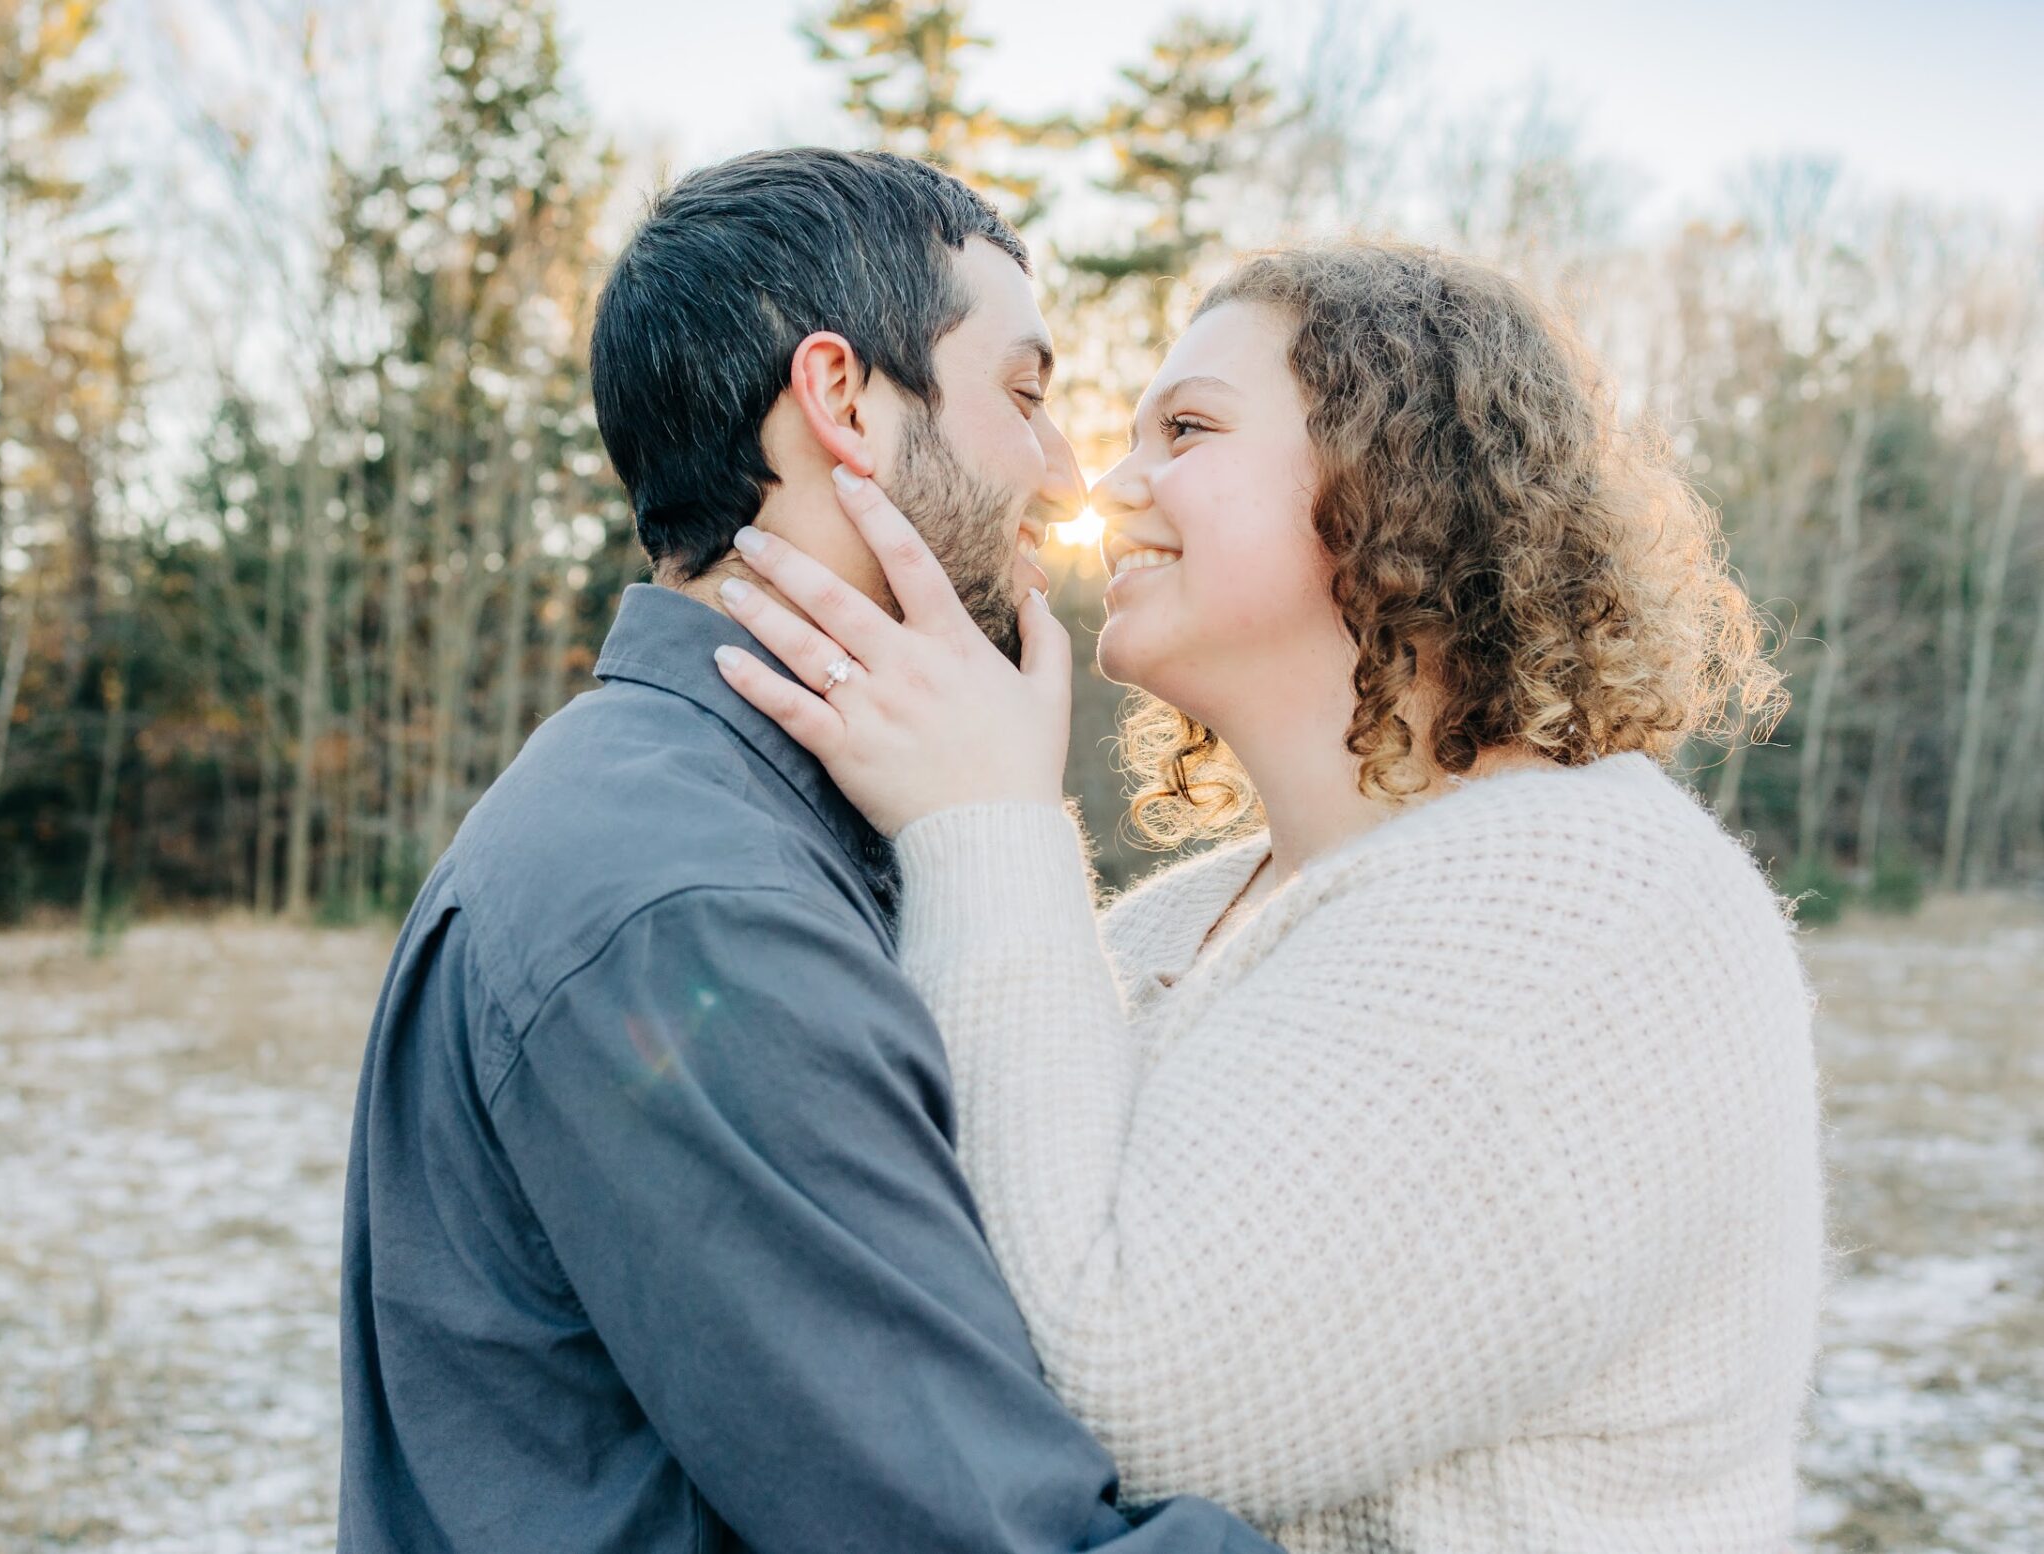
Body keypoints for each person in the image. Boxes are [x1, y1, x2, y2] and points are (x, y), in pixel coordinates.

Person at [713, 238, 1825, 1553]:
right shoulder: (1174, 924)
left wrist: (984, 821)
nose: (1111, 487)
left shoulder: (1596, 907)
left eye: (1185, 428)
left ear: (1400, 472)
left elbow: (1113, 1403)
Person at [335, 147, 1281, 1554]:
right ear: (840, 397)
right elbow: (988, 1534)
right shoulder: (690, 903)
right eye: (1023, 394)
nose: (1068, 469)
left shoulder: (726, 818)